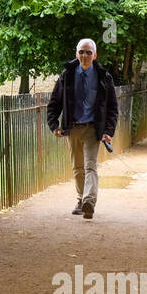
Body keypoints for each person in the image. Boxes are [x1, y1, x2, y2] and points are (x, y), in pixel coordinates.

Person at [45, 38, 118, 219]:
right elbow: (55, 102)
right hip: (73, 128)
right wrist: (54, 124)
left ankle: (89, 201)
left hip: (94, 129)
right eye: (81, 52)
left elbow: (112, 107)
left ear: (94, 55)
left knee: (90, 166)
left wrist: (108, 131)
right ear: (76, 54)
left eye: (88, 52)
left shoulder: (103, 77)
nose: (84, 55)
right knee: (78, 167)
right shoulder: (67, 75)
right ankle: (80, 199)